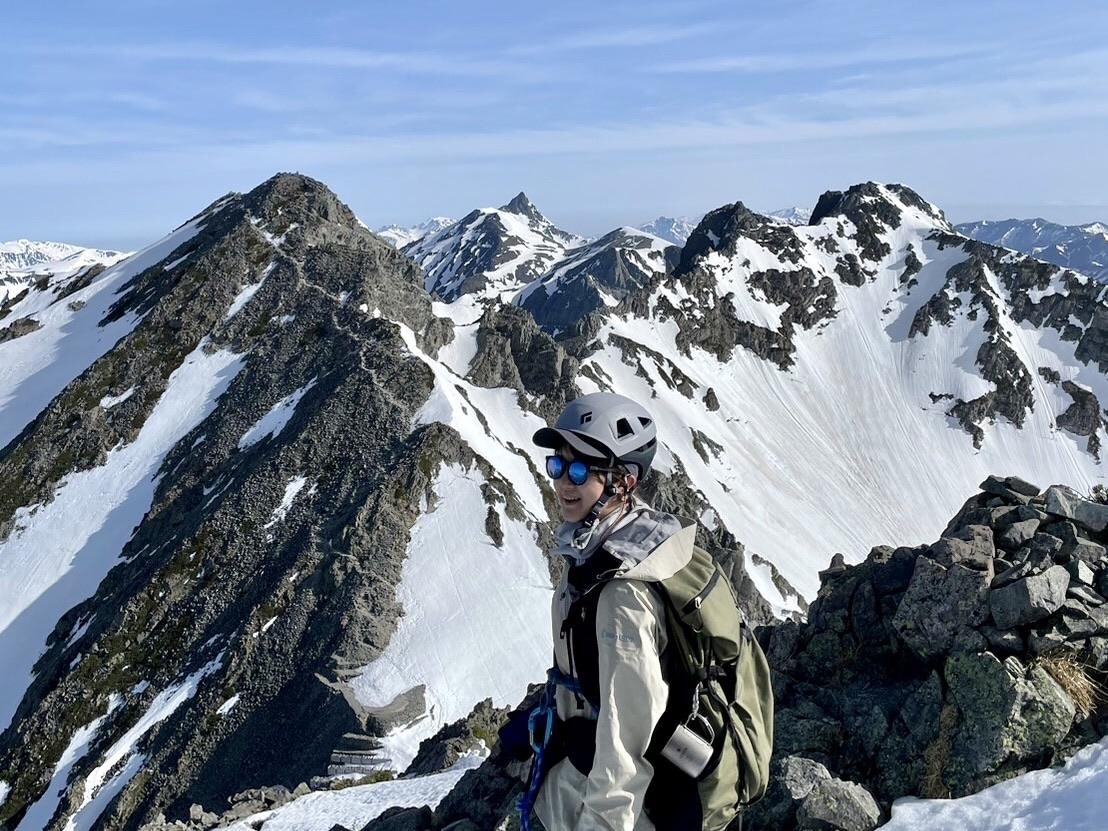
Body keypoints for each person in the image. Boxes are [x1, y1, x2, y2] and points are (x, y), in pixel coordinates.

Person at [525, 391, 706, 830]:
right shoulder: (616, 543)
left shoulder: (623, 594)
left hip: (646, 800)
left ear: (623, 481)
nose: (564, 482)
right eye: (559, 464)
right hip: (598, 757)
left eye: (582, 468)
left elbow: (627, 741)